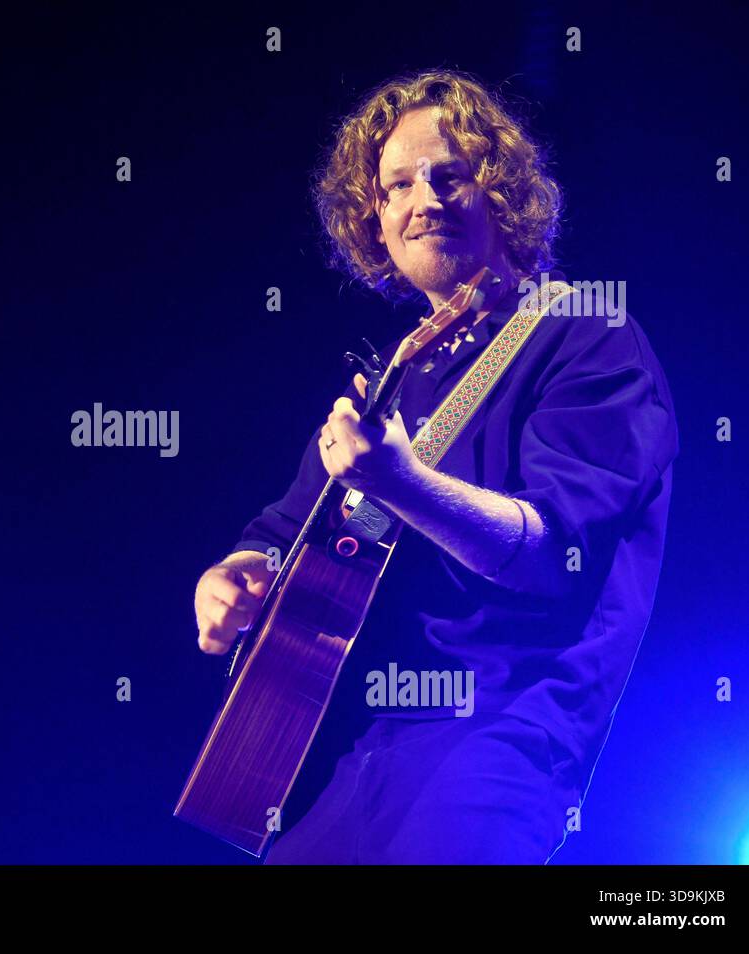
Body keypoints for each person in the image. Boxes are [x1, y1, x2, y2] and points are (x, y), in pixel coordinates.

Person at [191, 70, 678, 864]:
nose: (426, 199)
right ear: (374, 220)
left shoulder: (586, 333)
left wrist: (403, 482)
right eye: (397, 185)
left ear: (501, 193)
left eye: (450, 176)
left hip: (499, 728)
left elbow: (558, 552)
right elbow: (290, 527)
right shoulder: (395, 373)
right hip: (342, 742)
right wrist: (240, 569)